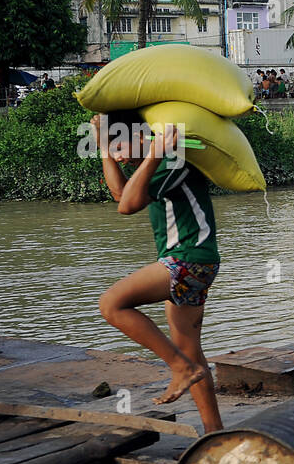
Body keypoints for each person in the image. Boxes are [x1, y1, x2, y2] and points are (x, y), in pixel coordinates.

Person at [90, 111, 223, 434]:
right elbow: (121, 194)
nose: (118, 151)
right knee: (191, 351)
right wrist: (104, 148)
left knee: (111, 304)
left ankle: (178, 368)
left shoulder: (174, 163)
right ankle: (214, 435)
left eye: (122, 142)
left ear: (144, 137)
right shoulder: (153, 166)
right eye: (113, 144)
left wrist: (153, 154)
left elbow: (127, 206)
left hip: (187, 259)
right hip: (193, 263)